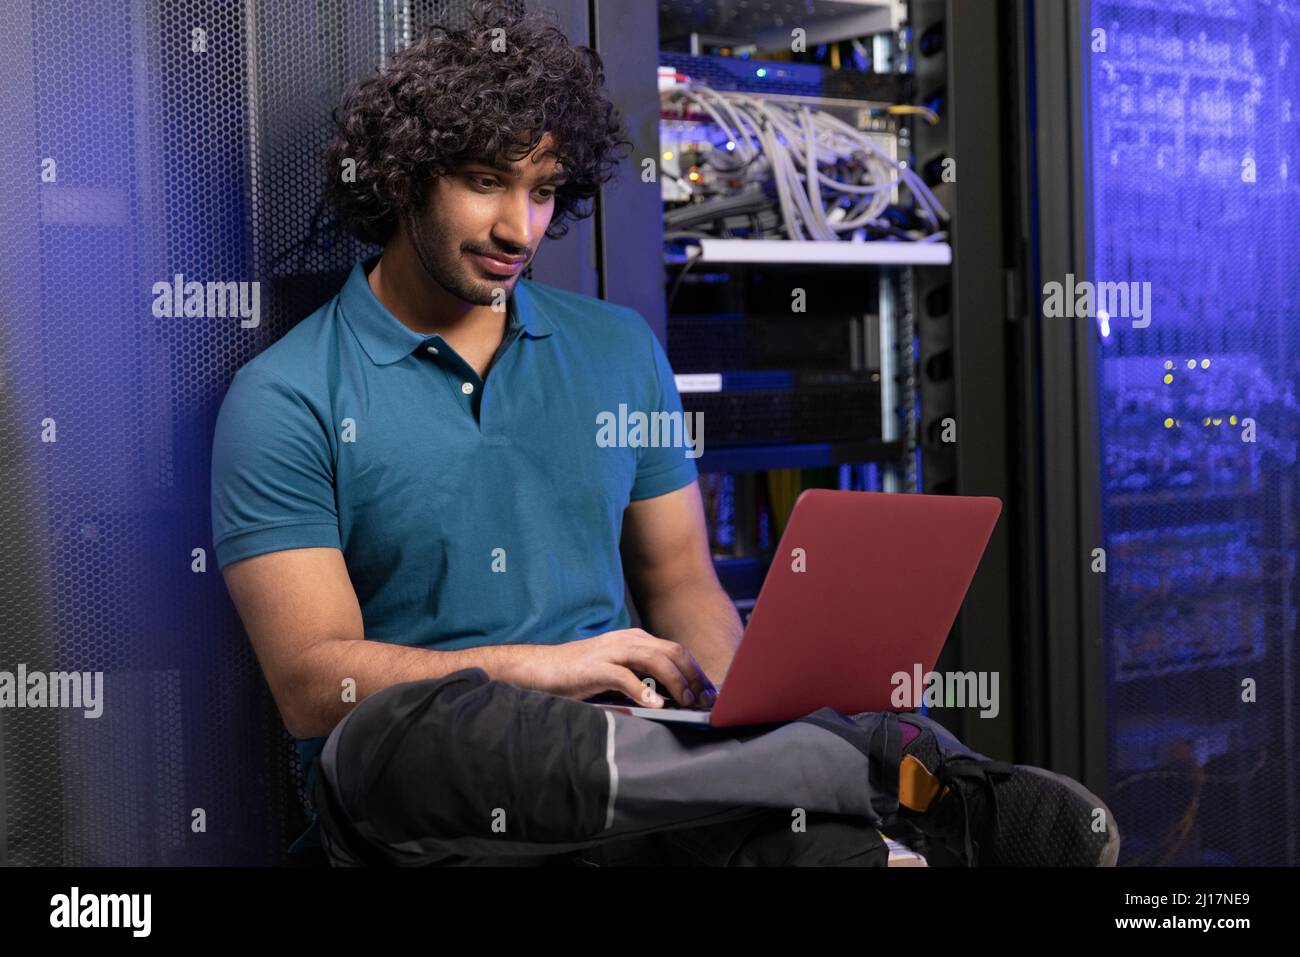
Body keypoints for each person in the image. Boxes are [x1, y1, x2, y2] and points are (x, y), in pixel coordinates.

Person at [211, 0, 1119, 867]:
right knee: (410, 732)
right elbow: (309, 685)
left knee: (777, 828)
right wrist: (547, 669)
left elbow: (685, 591)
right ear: (407, 174)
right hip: (419, 794)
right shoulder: (287, 395)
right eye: (485, 182)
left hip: (631, 763)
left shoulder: (616, 351)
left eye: (542, 190)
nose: (516, 227)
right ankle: (850, 765)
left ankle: (839, 803)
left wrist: (749, 706)